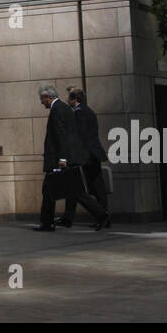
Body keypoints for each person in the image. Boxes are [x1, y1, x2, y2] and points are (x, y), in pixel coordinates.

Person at [60, 87, 110, 230]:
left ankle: (102, 216)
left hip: (87, 155)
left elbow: (79, 136)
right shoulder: (88, 111)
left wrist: (73, 154)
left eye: (69, 98)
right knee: (96, 186)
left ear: (75, 99)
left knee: (82, 186)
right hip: (93, 153)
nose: (67, 100)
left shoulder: (79, 113)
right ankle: (102, 216)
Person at [35, 84, 84, 232]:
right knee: (67, 190)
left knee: (49, 191)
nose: (41, 102)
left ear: (47, 97)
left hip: (58, 159)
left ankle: (47, 223)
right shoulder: (63, 108)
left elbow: (60, 135)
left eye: (42, 99)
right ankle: (48, 222)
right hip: (61, 157)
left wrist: (62, 158)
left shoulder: (57, 109)